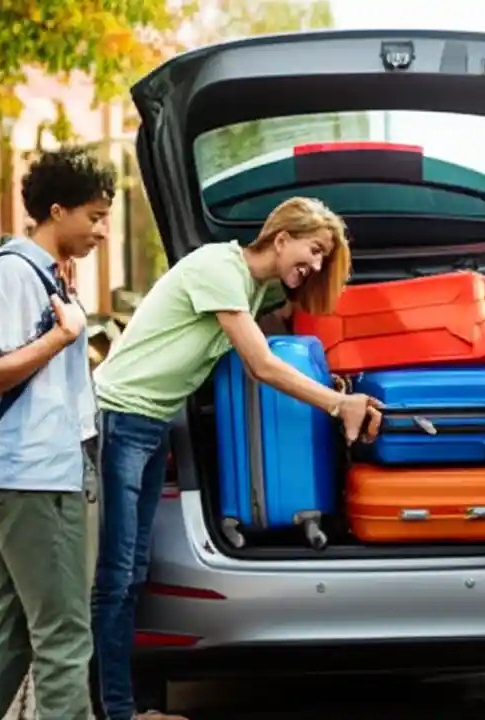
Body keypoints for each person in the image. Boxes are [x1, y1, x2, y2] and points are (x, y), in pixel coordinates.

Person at [90, 196, 382, 720]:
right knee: (115, 576)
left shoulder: (254, 287)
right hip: (121, 418)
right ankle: (115, 711)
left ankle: (126, 708)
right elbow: (262, 365)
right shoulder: (219, 267)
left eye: (321, 258)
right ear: (280, 238)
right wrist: (338, 403)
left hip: (153, 423)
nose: (315, 265)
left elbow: (291, 328)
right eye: (313, 251)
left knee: (133, 571)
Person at [0, 146, 116, 719]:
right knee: (64, 639)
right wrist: (61, 338)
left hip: (48, 470)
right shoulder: (12, 273)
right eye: (93, 216)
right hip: (36, 478)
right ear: (57, 210)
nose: (102, 231)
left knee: (11, 627)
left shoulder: (47, 275)